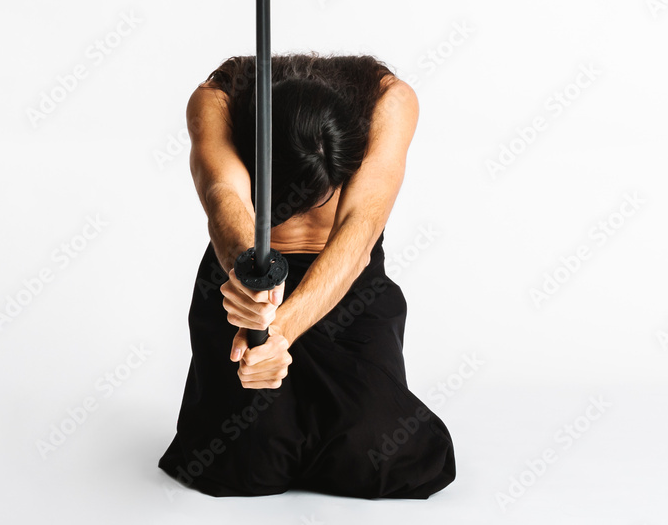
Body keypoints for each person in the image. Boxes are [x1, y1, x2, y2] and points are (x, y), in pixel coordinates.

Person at [158, 52, 456, 499]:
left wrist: (279, 330)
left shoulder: (390, 101)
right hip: (246, 267)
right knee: (242, 464)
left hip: (343, 276)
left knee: (383, 456)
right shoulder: (217, 100)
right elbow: (223, 197)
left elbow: (360, 228)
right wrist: (251, 279)